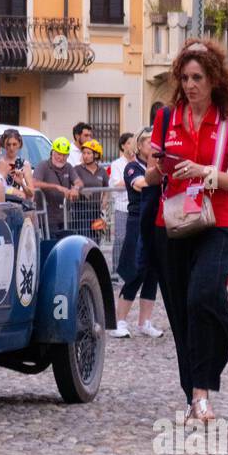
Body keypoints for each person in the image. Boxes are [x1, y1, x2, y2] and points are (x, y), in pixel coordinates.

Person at [145, 38, 228, 423]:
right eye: (185, 77)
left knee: (203, 297)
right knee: (180, 313)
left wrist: (206, 172)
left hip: (215, 222)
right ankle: (196, 395)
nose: (190, 85)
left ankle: (205, 382)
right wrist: (159, 169)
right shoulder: (166, 118)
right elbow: (152, 174)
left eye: (198, 78)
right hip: (171, 223)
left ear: (213, 80)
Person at [108, 129, 164, 339]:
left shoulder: (159, 168)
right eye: (149, 143)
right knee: (135, 271)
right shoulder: (133, 167)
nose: (153, 147)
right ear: (139, 146)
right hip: (137, 222)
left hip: (156, 223)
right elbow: (141, 185)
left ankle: (145, 322)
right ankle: (119, 322)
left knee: (152, 273)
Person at [33, 138, 79, 234]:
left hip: (64, 217)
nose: (61, 158)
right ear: (52, 152)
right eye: (59, 154)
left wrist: (75, 188)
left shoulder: (68, 167)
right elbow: (34, 183)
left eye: (64, 155)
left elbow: (78, 181)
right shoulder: (43, 165)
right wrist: (57, 187)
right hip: (47, 218)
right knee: (51, 244)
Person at [70, 139, 109, 238]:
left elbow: (106, 189)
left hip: (96, 211)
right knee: (85, 239)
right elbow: (71, 186)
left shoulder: (102, 171)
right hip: (80, 211)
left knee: (97, 239)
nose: (85, 156)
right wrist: (82, 192)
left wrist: (104, 203)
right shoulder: (77, 169)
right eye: (84, 153)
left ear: (96, 155)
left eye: (88, 153)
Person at [109, 132, 135, 275]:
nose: (133, 146)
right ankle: (116, 269)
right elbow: (117, 183)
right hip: (121, 206)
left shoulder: (137, 163)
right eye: (130, 143)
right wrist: (133, 180)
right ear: (123, 145)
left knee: (134, 238)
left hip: (135, 206)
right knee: (120, 238)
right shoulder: (116, 164)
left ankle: (131, 268)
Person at [0, 129, 35, 201]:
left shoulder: (24, 164)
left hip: (16, 205)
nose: (11, 148)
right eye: (8, 144)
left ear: (19, 144)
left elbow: (31, 193)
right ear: (4, 145)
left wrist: (21, 183)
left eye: (14, 144)